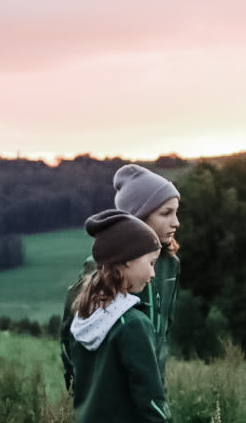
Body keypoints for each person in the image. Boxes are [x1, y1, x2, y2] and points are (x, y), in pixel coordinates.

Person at [62, 209, 177, 423]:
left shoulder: (85, 316)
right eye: (150, 263)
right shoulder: (132, 324)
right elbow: (150, 397)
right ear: (126, 260)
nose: (153, 274)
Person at [60, 163, 181, 388]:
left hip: (152, 390)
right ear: (138, 218)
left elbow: (165, 330)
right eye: (166, 213)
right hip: (110, 397)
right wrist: (79, 393)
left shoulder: (170, 265)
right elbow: (72, 335)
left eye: (176, 212)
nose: (176, 222)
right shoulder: (99, 268)